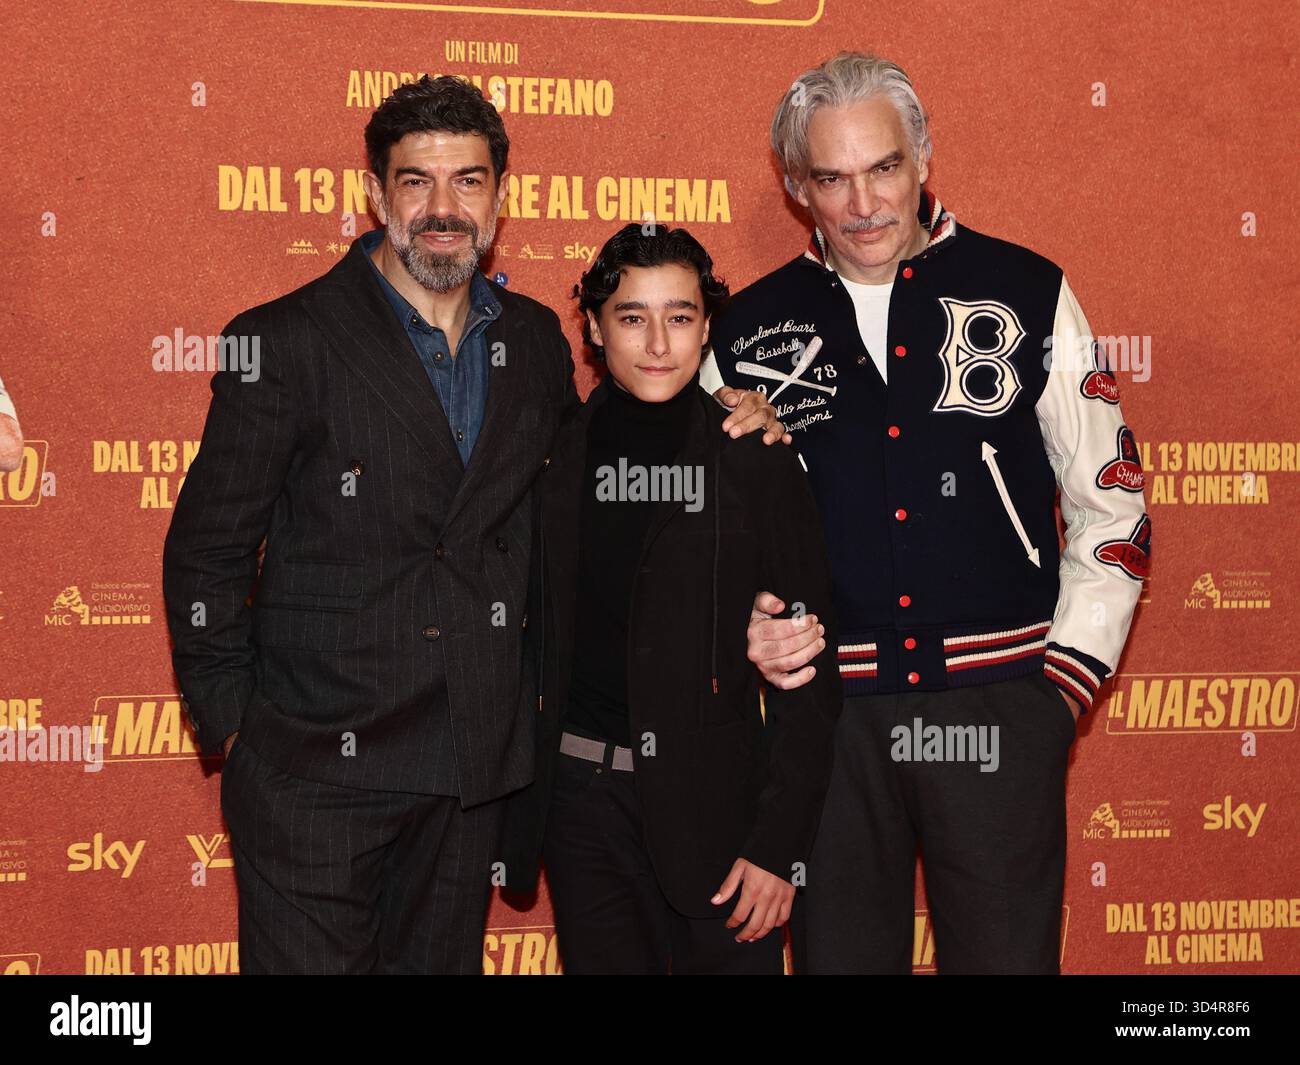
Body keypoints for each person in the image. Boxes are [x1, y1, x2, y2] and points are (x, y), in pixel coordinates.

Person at [162, 75, 784, 974]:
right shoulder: (285, 341)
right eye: (417, 182)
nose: (442, 209)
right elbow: (207, 553)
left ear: (499, 198)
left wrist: (735, 415)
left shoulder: (531, 342)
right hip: (312, 775)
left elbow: (605, 488)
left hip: (468, 776)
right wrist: (240, 737)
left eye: (468, 181)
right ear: (375, 194)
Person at [702, 52, 1151, 974]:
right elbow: (701, 542)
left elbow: (1112, 501)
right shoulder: (744, 332)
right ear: (796, 188)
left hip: (1000, 712)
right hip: (826, 730)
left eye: (885, 168)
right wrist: (743, 624)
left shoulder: (1029, 290)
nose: (864, 202)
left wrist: (1059, 689)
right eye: (831, 178)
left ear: (924, 159)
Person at [499, 224, 842, 974]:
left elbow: (810, 672)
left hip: (721, 812)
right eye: (631, 317)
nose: (658, 342)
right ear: (592, 326)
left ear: (707, 325)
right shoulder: (550, 453)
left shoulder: (754, 455)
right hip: (581, 809)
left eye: (680, 316)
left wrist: (778, 847)